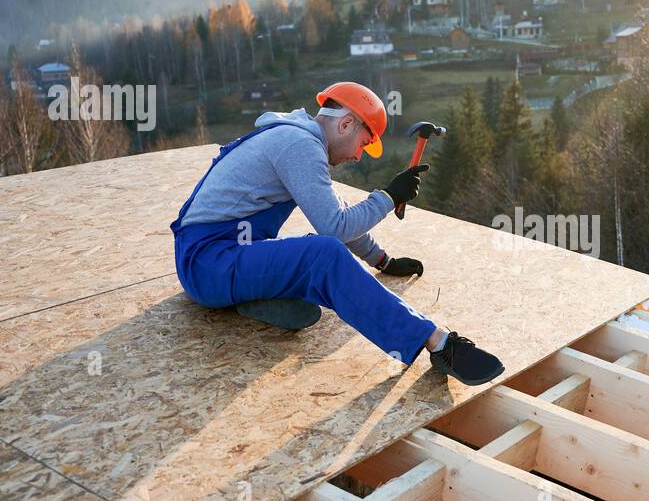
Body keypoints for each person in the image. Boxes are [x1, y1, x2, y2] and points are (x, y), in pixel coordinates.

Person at [169, 81, 504, 385]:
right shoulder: (298, 145)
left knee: (314, 269)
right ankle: (439, 344)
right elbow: (334, 227)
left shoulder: (298, 137)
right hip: (207, 262)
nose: (358, 155)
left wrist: (383, 260)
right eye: (363, 142)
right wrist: (387, 197)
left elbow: (337, 212)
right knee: (322, 254)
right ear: (346, 124)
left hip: (224, 254)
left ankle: (250, 297)